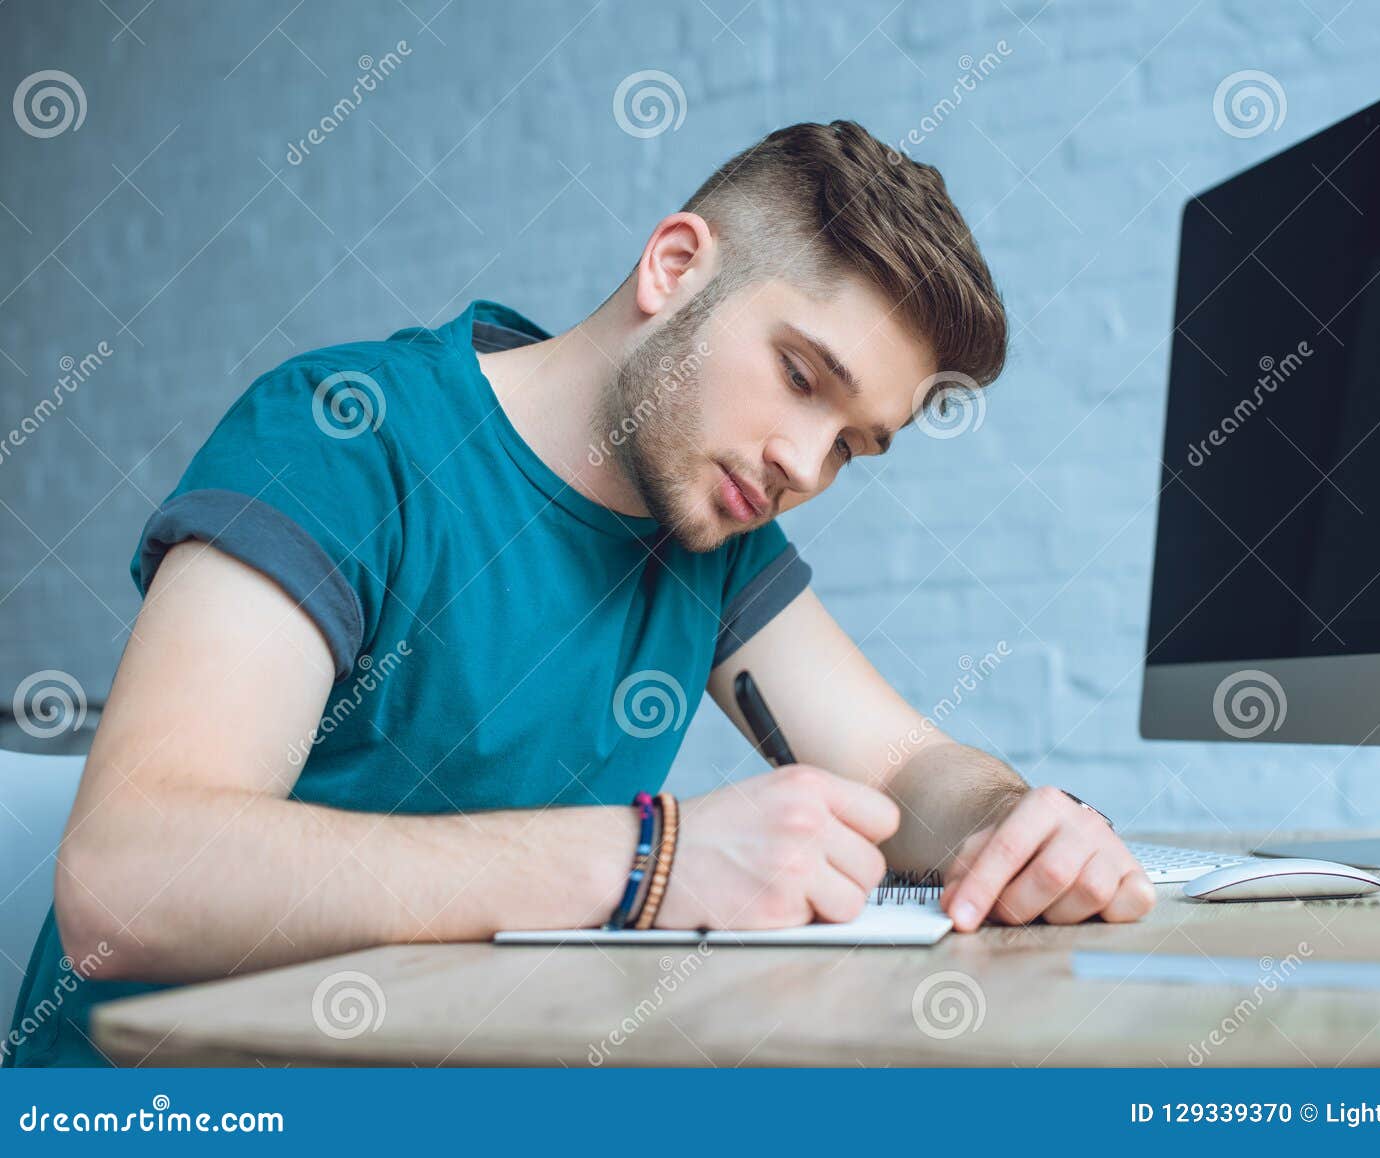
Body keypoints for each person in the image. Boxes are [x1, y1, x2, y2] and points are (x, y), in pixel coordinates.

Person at [7, 120, 1153, 1068]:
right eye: (802, 378)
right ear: (674, 266)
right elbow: (131, 880)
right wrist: (647, 862)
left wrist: (1012, 827)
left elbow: (904, 771)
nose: (807, 465)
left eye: (854, 445)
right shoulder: (347, 436)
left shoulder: (709, 530)